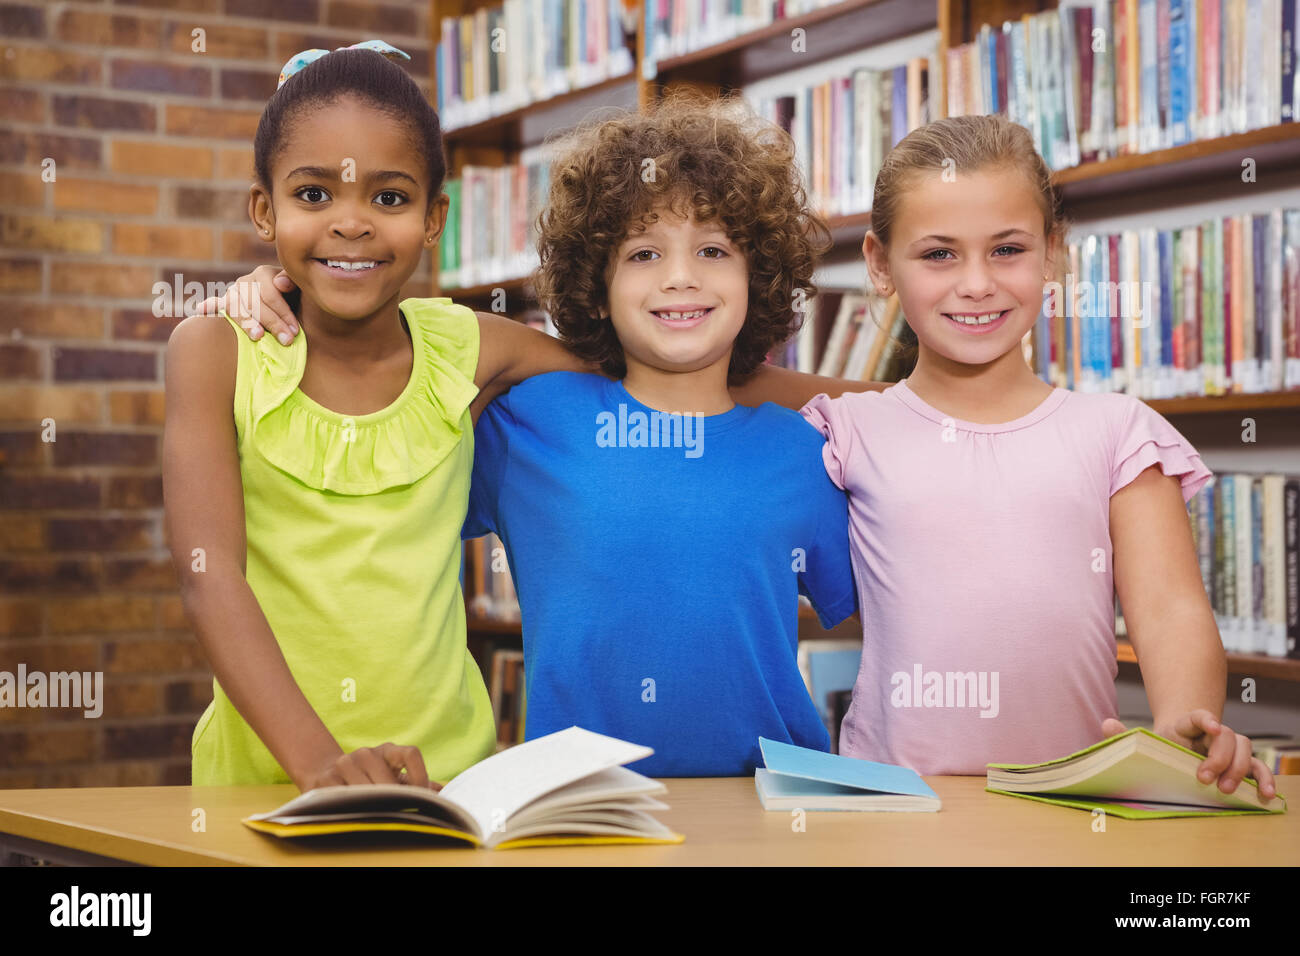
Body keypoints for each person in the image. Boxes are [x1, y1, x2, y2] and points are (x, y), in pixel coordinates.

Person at [801, 113, 1278, 800]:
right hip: (894, 803)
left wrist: (1184, 723)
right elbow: (722, 395)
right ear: (880, 265)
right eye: (939, 254)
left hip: (1075, 802)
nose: (975, 284)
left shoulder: (1118, 431)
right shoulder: (846, 432)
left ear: (1053, 253)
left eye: (1008, 250)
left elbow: (1170, 607)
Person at [165, 41, 596, 791]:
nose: (352, 223)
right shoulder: (214, 352)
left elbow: (661, 385)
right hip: (266, 784)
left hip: (452, 783)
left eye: (389, 199)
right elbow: (210, 578)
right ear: (264, 210)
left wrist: (866, 402)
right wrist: (321, 766)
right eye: (313, 195)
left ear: (434, 220)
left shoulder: (470, 347)